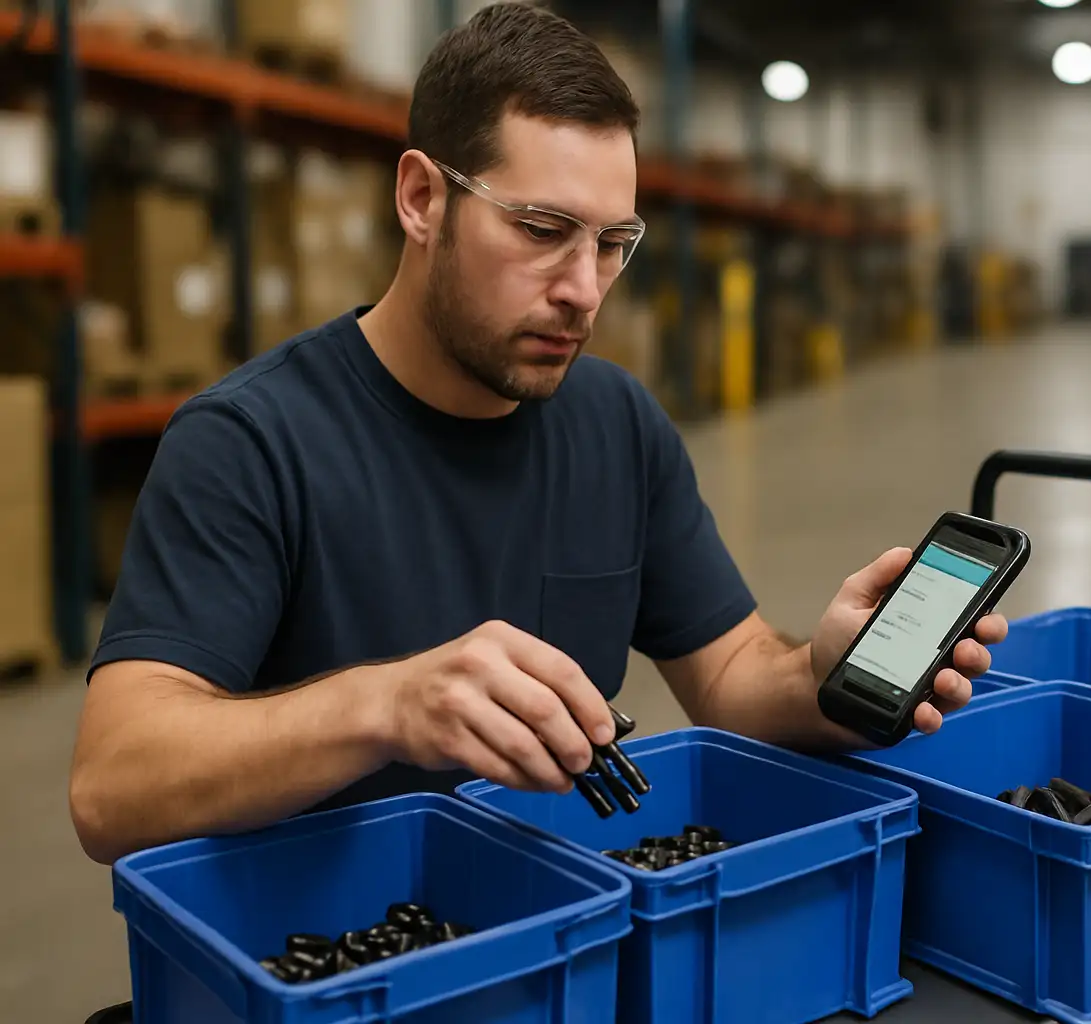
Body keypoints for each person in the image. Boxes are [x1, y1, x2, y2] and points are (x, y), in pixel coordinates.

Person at [67, 2, 1005, 866]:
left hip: (558, 939)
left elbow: (728, 676)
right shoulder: (251, 444)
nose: (584, 289)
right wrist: (384, 706)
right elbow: (113, 788)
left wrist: (823, 676)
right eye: (542, 229)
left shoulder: (615, 424)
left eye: (611, 244)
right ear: (422, 199)